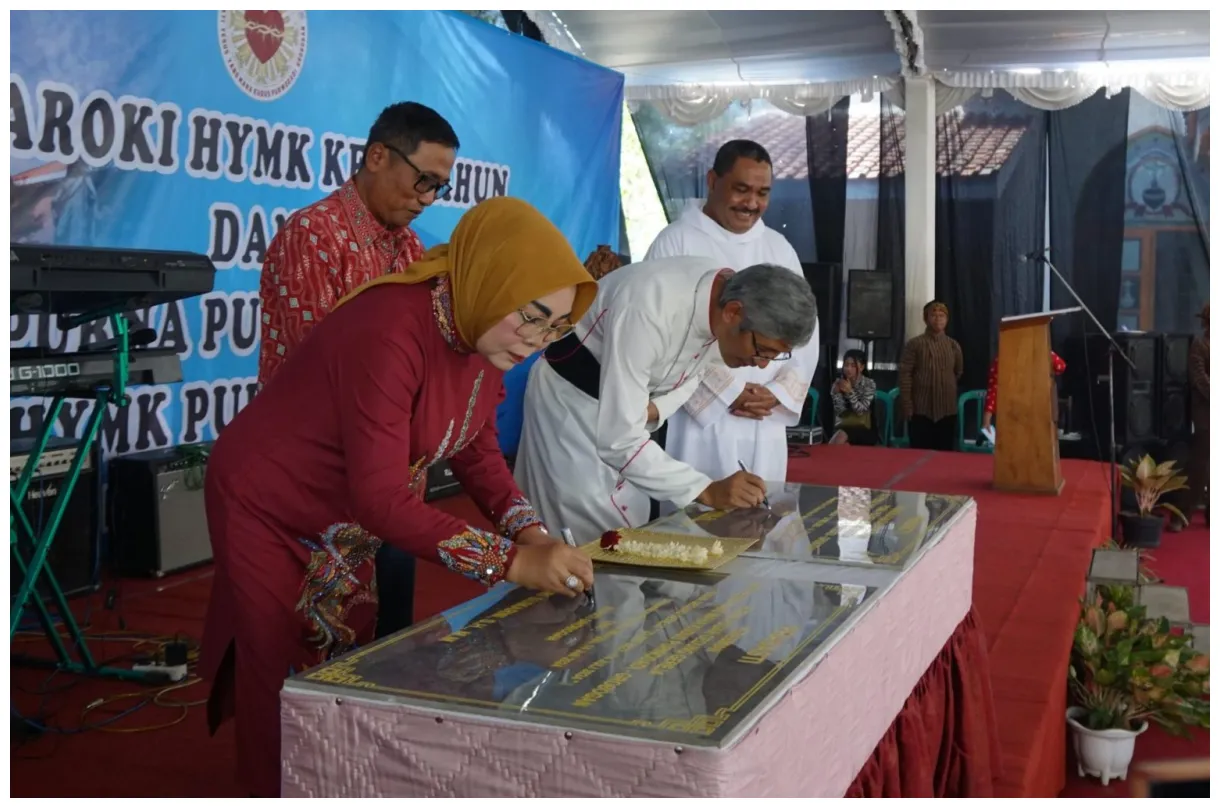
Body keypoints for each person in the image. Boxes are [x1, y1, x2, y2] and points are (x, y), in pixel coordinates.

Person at [199, 197, 598, 797]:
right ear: (494, 277)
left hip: (345, 511)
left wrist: (531, 533)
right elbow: (383, 498)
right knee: (279, 663)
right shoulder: (391, 327)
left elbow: (476, 450)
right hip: (268, 498)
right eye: (533, 317)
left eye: (554, 329)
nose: (536, 341)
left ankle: (333, 778)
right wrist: (510, 563)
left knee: (341, 651)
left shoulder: (476, 328)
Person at [256, 101, 459, 640]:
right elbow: (327, 373)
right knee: (316, 652)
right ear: (376, 156)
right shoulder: (314, 237)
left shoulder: (412, 250)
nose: (428, 199)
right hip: (318, 484)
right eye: (423, 180)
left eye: (440, 186)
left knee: (389, 645)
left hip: (393, 483)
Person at [513, 258, 819, 542]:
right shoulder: (651, 306)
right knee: (591, 535)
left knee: (632, 523)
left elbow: (697, 368)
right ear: (733, 312)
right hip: (569, 406)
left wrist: (656, 408)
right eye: (761, 350)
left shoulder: (723, 298)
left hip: (629, 412)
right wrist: (706, 489)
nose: (762, 365)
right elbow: (618, 439)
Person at [644, 140, 819, 483]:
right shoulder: (675, 242)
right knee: (696, 521)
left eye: (762, 193)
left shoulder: (779, 248)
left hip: (765, 418)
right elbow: (667, 336)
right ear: (712, 181)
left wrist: (777, 394)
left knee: (763, 518)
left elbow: (804, 332)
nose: (752, 204)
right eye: (741, 190)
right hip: (699, 421)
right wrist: (728, 393)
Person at [898, 300, 963, 451]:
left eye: (942, 316)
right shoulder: (915, 344)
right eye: (934, 315)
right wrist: (907, 404)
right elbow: (905, 375)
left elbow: (958, 372)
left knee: (944, 457)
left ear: (947, 319)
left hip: (947, 411)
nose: (938, 319)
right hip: (920, 410)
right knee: (919, 455)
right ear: (926, 319)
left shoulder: (953, 345)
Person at [1173, 302, 1209, 531]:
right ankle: (1181, 514)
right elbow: (1199, 379)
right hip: (1206, 412)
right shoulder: (1200, 344)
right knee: (1200, 466)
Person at [981, 350, 1067, 436]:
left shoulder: (1040, 352)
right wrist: (986, 420)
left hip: (1035, 414)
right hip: (1014, 414)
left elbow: (1061, 366)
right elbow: (993, 389)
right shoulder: (1004, 357)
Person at [829, 349, 877, 446]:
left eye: (853, 366)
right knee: (842, 444)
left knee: (839, 438)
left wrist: (850, 392)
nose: (848, 369)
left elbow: (861, 411)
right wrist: (836, 394)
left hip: (865, 427)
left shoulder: (869, 384)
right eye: (846, 365)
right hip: (845, 424)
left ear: (862, 367)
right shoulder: (840, 383)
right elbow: (840, 413)